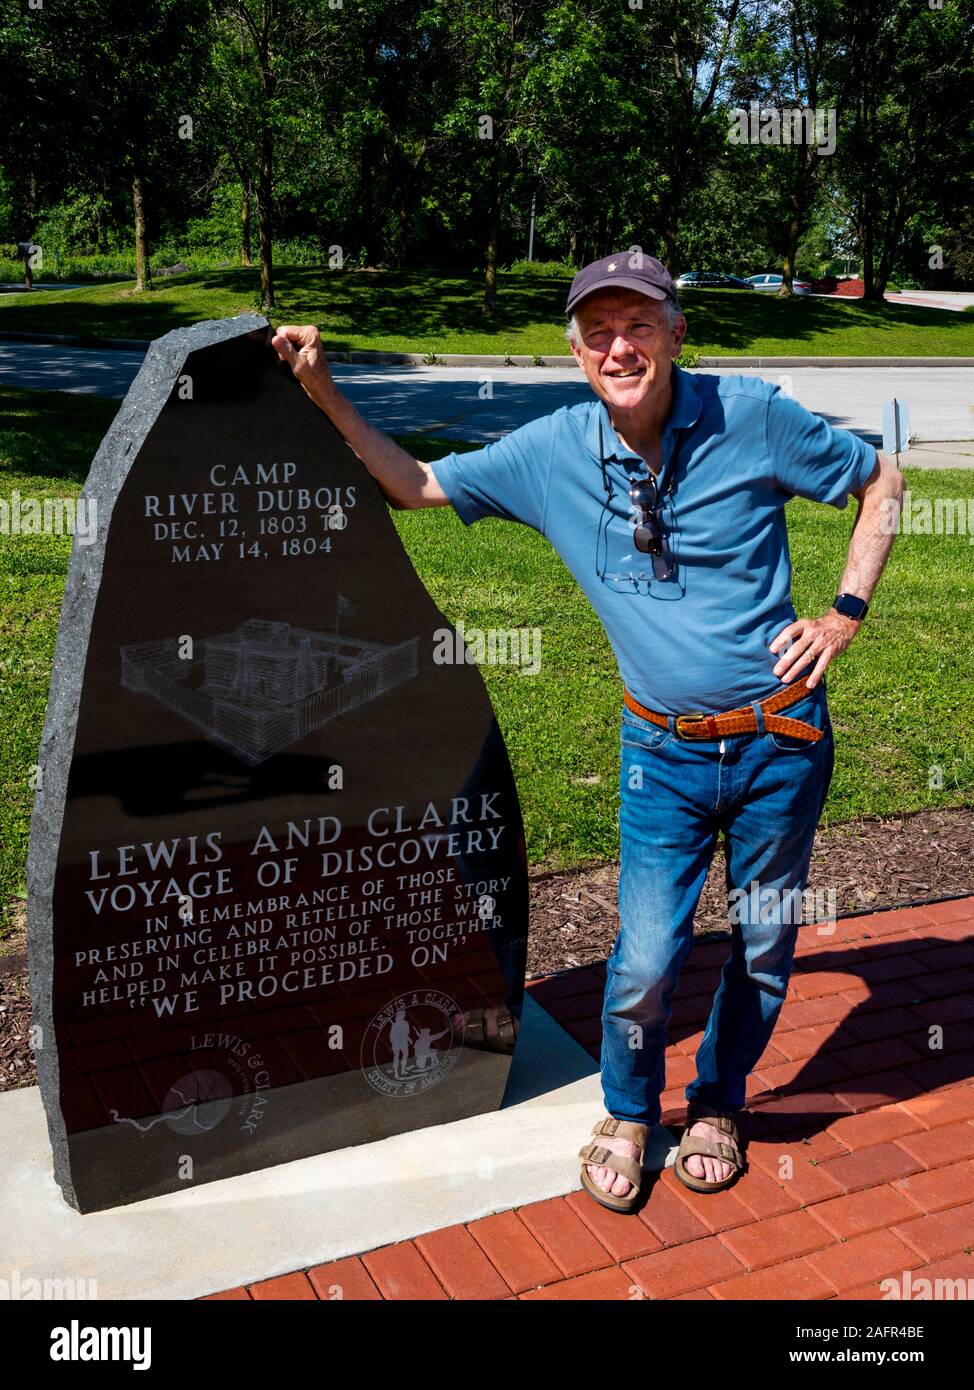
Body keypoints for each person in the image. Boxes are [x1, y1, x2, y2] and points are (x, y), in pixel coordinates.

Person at [271, 250, 904, 1213]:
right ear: (576, 352)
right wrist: (325, 393)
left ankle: (719, 1103)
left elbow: (883, 480)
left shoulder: (755, 416)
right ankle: (627, 1108)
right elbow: (416, 485)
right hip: (663, 752)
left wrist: (844, 615)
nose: (621, 346)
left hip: (783, 742)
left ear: (676, 332)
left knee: (764, 943)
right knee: (648, 955)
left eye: (639, 324)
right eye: (599, 331)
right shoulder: (555, 451)